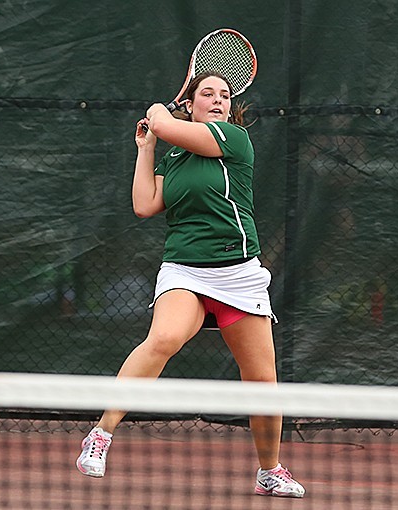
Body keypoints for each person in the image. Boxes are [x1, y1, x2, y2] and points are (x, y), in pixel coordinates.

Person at [75, 72, 305, 498]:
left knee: (262, 381)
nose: (218, 100)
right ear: (193, 103)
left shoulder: (234, 139)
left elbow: (162, 124)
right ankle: (100, 435)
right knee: (162, 338)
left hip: (238, 274)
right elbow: (145, 205)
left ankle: (269, 470)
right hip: (185, 271)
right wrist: (146, 151)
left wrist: (158, 117)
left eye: (225, 95)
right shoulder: (176, 158)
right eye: (208, 94)